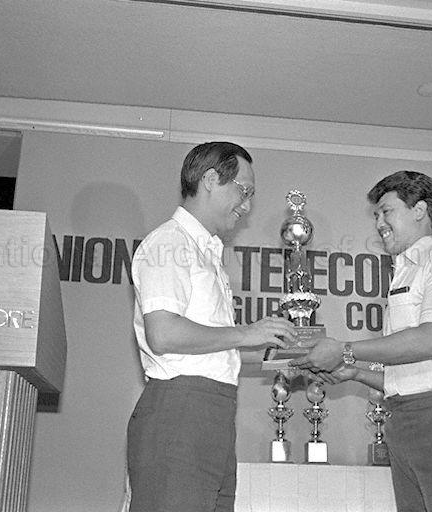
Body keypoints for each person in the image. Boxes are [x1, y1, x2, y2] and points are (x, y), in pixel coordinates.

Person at [290, 170, 432, 512]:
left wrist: (345, 350)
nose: (379, 223)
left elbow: (430, 341)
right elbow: (409, 374)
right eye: (376, 215)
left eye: (386, 211)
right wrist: (354, 372)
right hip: (404, 416)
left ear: (420, 210)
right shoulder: (402, 271)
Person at [126, 141, 297, 512]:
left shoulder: (207, 253)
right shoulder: (170, 242)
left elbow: (213, 355)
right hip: (179, 413)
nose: (247, 206)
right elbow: (163, 334)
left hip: (214, 415)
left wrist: (285, 360)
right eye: (244, 191)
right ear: (210, 179)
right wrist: (247, 333)